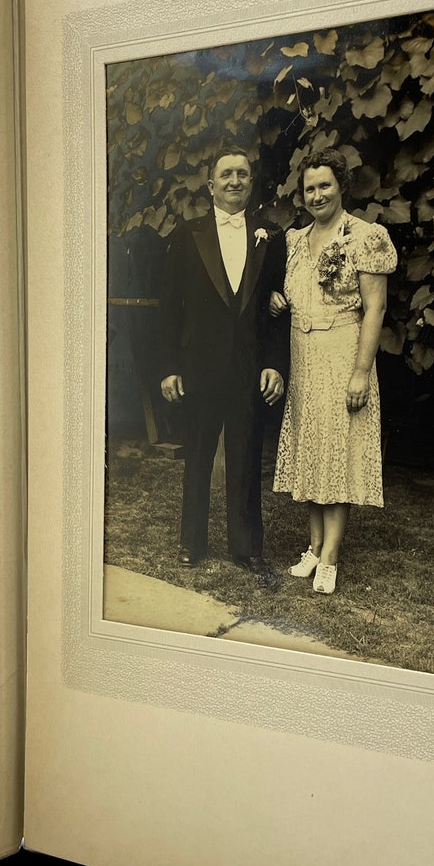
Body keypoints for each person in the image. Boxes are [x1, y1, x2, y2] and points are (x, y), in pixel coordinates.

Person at [158, 145, 287, 587]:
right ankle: (191, 543)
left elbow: (277, 308)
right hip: (199, 366)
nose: (235, 181)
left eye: (243, 175)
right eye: (226, 174)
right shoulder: (187, 234)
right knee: (196, 455)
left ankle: (246, 547)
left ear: (252, 184)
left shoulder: (269, 236)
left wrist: (273, 364)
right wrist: (169, 367)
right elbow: (168, 307)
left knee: (247, 456)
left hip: (248, 367)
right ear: (211, 185)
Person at [271, 148, 398, 595]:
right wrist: (277, 300)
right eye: (309, 187)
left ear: (342, 186)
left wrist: (362, 371)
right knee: (311, 450)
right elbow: (291, 293)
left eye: (325, 185)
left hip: (344, 353)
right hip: (303, 358)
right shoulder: (294, 241)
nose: (317, 194)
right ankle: (314, 544)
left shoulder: (366, 236)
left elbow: (375, 307)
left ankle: (330, 556)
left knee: (337, 453)